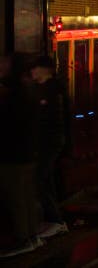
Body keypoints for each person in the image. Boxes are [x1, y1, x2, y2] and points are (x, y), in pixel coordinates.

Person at [0, 54, 42, 258]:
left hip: (13, 153)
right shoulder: (29, 90)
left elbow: (9, 124)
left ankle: (22, 238)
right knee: (26, 195)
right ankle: (32, 235)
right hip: (27, 151)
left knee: (17, 196)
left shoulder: (12, 94)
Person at [31, 55, 70, 239]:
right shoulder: (49, 89)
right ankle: (54, 219)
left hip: (50, 141)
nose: (32, 72)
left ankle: (55, 220)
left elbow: (50, 119)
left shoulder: (51, 91)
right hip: (49, 141)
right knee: (46, 179)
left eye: (35, 68)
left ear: (44, 70)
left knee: (41, 178)